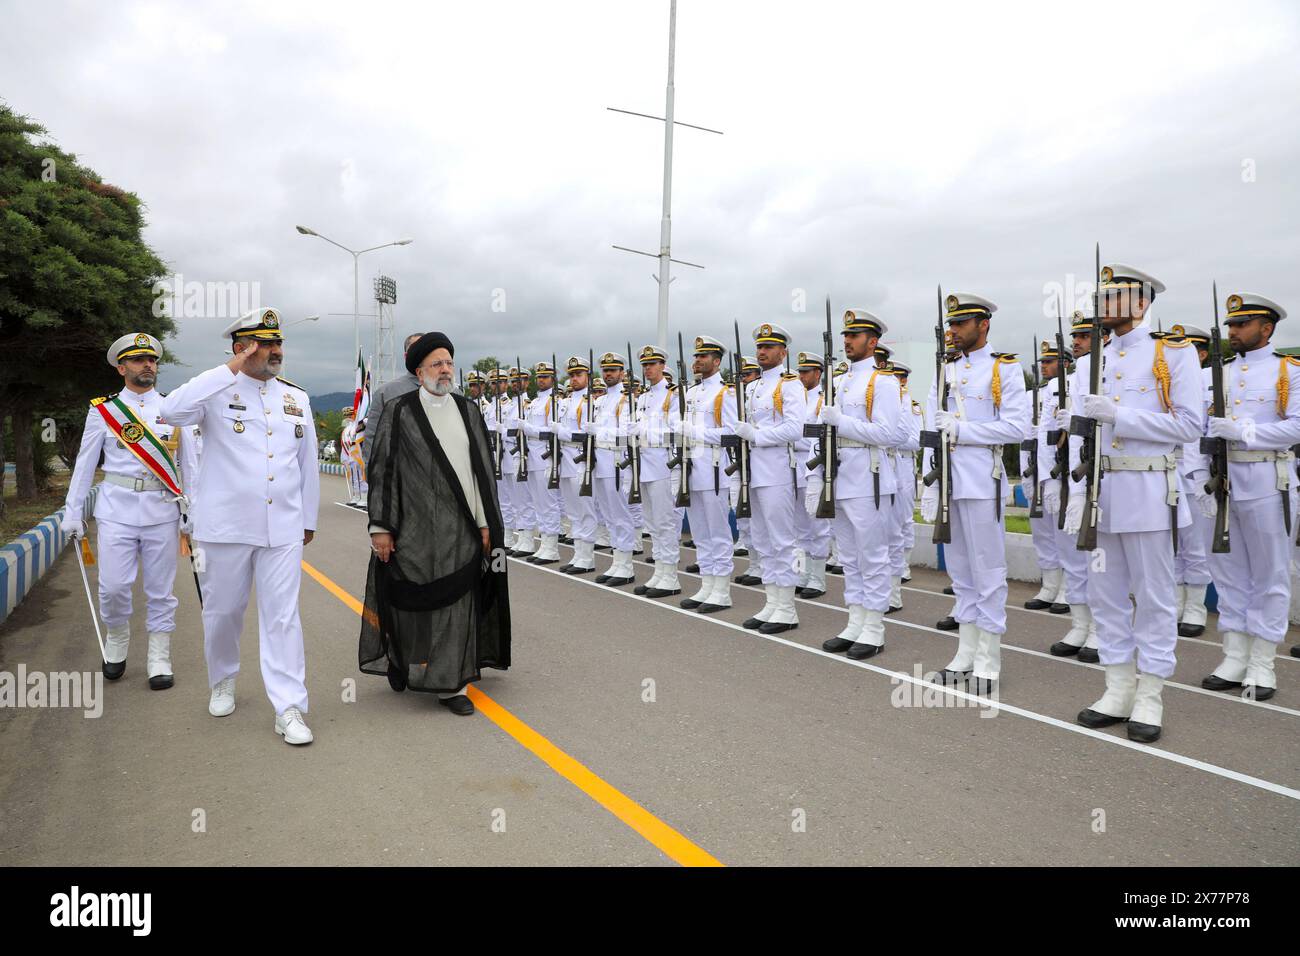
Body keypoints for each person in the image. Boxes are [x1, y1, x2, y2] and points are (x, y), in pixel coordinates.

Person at [159, 308, 320, 745]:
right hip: (224, 528)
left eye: (278, 344)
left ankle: (288, 706)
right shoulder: (214, 390)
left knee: (283, 617)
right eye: (265, 344)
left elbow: (306, 463)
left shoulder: (296, 398)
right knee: (223, 612)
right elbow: (170, 412)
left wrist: (308, 518)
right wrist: (229, 369)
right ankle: (223, 678)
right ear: (241, 347)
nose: (275, 352)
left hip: (282, 526)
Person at [1063, 263, 1202, 743]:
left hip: (1148, 490)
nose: (1105, 304)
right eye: (1101, 296)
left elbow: (1189, 426)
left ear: (1141, 304)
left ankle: (1150, 694)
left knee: (1154, 596)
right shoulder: (1086, 364)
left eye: (1116, 296)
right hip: (1100, 493)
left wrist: (1119, 415)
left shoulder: (1173, 355)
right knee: (1105, 594)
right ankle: (1118, 687)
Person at [360, 332, 511, 716]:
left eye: (448, 363)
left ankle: (452, 684)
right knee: (409, 596)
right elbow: (384, 470)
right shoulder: (400, 410)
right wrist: (381, 526)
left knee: (457, 600)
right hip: (411, 526)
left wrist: (484, 522)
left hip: (459, 527)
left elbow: (480, 473)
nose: (444, 370)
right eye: (436, 364)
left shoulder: (468, 410)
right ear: (419, 371)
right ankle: (403, 658)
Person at [61, 332, 197, 689]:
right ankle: (117, 638)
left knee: (160, 590)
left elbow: (190, 465)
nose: (147, 365)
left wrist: (192, 511)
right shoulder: (103, 411)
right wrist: (73, 511)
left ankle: (159, 656)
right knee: (113, 587)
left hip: (162, 510)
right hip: (116, 510)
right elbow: (85, 464)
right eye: (138, 360)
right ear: (122, 368)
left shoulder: (173, 409)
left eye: (151, 360)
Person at [922, 292, 1029, 694]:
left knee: (988, 571)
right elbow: (933, 431)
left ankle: (989, 659)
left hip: (984, 480)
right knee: (961, 572)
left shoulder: (1004, 370)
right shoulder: (943, 369)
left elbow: (1017, 428)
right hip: (949, 481)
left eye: (960, 324)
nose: (953, 331)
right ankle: (965, 652)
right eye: (950, 324)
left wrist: (964, 430)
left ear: (983, 325)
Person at [1199, 293, 1297, 702]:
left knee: (1269, 573)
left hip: (1265, 477)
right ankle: (1235, 654)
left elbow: (1296, 428)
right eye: (1231, 325)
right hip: (1221, 480)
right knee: (1228, 571)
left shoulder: (1287, 372)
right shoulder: (1215, 374)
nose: (1233, 331)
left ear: (1266, 328)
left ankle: (1262, 661)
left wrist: (1243, 432)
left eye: (1242, 325)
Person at [814, 310, 904, 658]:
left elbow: (887, 434)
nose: (848, 341)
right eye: (846, 336)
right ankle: (855, 620)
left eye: (855, 336)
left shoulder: (883, 382)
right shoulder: (839, 381)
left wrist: (843, 422)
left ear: (873, 341)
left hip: (870, 476)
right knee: (849, 556)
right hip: (839, 475)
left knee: (873, 555)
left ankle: (874, 628)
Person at [732, 323, 807, 633]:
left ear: (782, 352)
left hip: (777, 470)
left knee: (782, 540)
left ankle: (787, 608)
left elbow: (795, 429)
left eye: (769, 347)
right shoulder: (752, 387)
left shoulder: (790, 385)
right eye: (759, 347)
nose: (762, 352)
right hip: (754, 471)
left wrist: (757, 435)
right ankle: (772, 602)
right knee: (762, 540)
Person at [677, 336, 738, 612]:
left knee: (718, 531)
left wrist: (696, 433)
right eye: (696, 356)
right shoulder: (690, 393)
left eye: (704, 357)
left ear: (716, 361)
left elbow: (732, 433)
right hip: (691, 469)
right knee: (700, 532)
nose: (698, 361)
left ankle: (722, 590)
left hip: (714, 469)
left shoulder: (725, 394)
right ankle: (707, 585)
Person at [1165, 324, 1215, 638]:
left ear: (1203, 353)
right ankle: (1176, 603)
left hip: (1196, 473)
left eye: (1191, 350)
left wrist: (1204, 475)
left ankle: (1196, 607)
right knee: (1171, 545)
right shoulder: (1166, 380)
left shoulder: (1211, 380)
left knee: (1195, 545)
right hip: (1167, 469)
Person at [633, 345, 684, 597]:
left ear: (663, 366)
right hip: (644, 467)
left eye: (652, 363)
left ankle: (671, 576)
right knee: (652, 523)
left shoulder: (673, 395)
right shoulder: (642, 397)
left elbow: (677, 432)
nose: (648, 368)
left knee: (665, 522)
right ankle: (660, 572)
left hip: (664, 466)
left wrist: (645, 434)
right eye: (644, 364)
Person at [586, 352, 639, 586]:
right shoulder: (599, 401)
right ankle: (617, 562)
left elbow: (627, 434)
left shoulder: (628, 401)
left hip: (618, 462)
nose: (608, 374)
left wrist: (598, 431)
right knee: (608, 515)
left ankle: (626, 565)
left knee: (621, 514)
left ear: (622, 374)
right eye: (605, 370)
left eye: (613, 370)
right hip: (600, 462)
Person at [793, 351, 833, 599]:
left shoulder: (823, 399)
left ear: (818, 373)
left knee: (818, 525)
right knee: (798, 527)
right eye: (800, 371)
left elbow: (815, 435)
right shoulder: (795, 397)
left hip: (813, 465)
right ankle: (803, 573)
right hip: (793, 467)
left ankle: (818, 577)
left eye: (806, 372)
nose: (802, 376)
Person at [515, 360, 563, 565]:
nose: (541, 380)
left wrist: (530, 429)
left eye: (545, 377)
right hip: (532, 456)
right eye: (539, 377)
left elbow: (553, 431)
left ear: (553, 379)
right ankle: (544, 543)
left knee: (548, 502)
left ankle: (551, 546)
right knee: (538, 502)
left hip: (545, 454)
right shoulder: (534, 402)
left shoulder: (555, 401)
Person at [557, 356, 599, 574]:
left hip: (581, 460)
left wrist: (562, 433)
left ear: (588, 377)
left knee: (585, 509)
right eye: (571, 375)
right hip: (565, 460)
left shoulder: (590, 402)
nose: (574, 379)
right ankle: (579, 554)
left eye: (578, 375)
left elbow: (587, 435)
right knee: (572, 511)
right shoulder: (565, 403)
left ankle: (587, 557)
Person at [363, 332, 423, 467]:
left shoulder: (450, 392)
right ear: (406, 356)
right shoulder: (386, 393)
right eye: (416, 350)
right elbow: (373, 438)